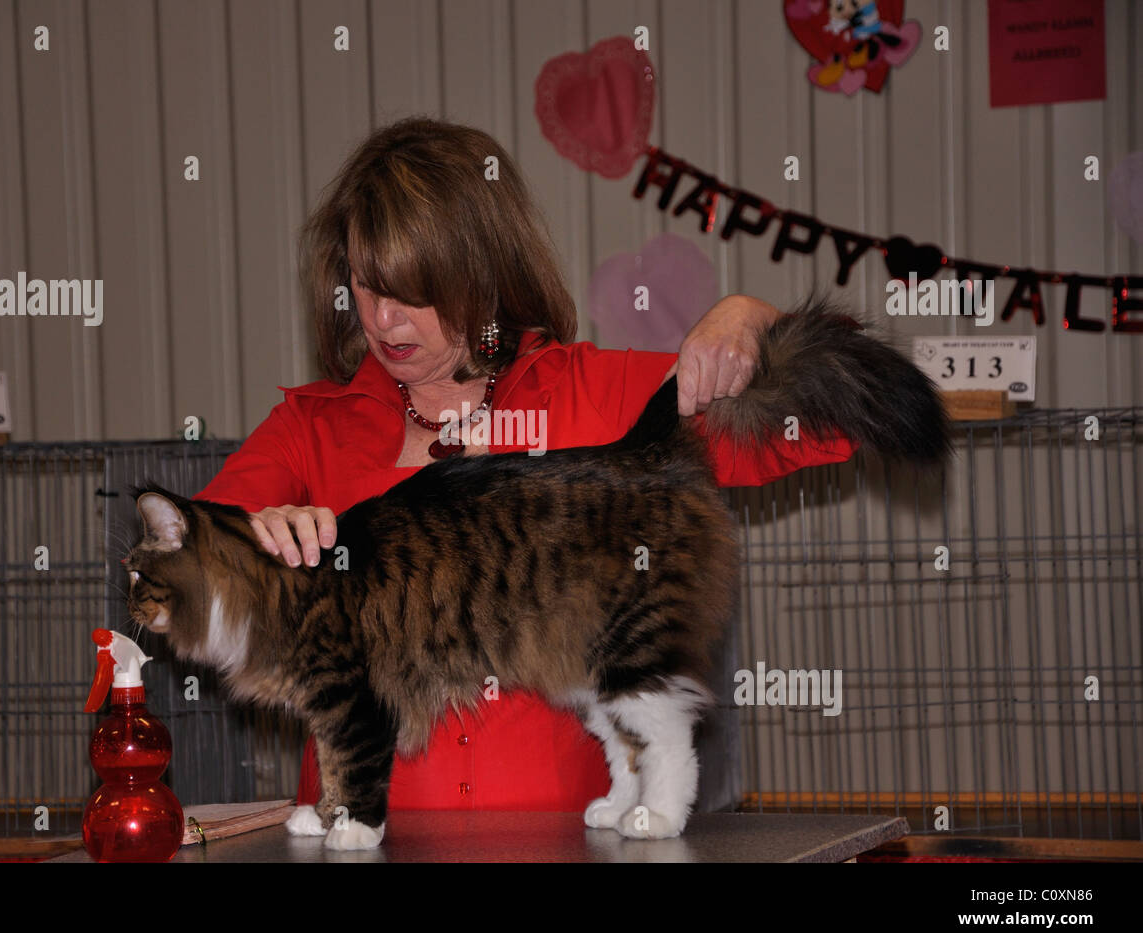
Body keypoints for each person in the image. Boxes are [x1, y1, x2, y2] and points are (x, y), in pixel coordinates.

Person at [196, 116, 858, 812]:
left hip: (568, 843)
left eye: (417, 291)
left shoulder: (595, 396)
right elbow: (181, 563)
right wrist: (256, 542)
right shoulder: (309, 429)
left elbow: (835, 421)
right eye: (367, 285)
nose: (386, 321)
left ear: (482, 274)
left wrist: (754, 321)